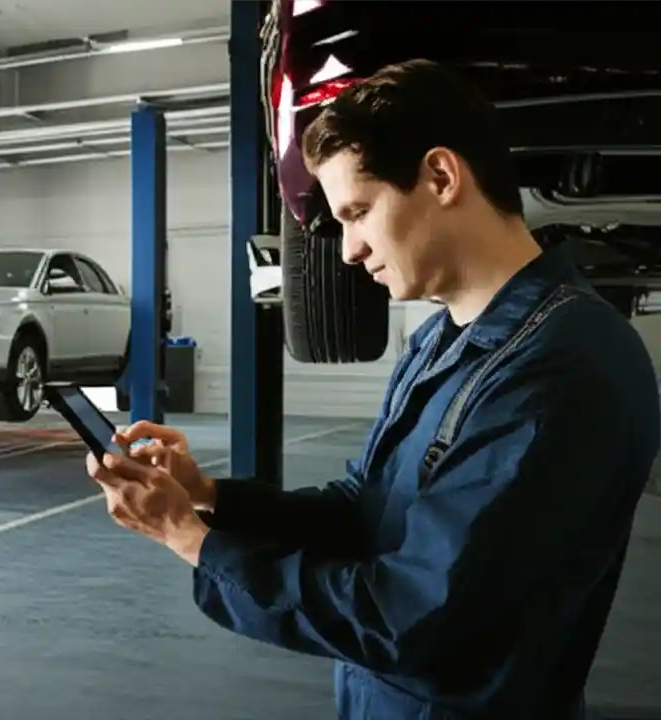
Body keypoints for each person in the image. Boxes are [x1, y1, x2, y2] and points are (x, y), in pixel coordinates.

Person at [86, 59, 659, 719]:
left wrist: (191, 540)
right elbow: (363, 509)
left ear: (441, 177)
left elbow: (409, 617)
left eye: (358, 213)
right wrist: (208, 499)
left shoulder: (560, 365)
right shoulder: (442, 342)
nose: (350, 250)